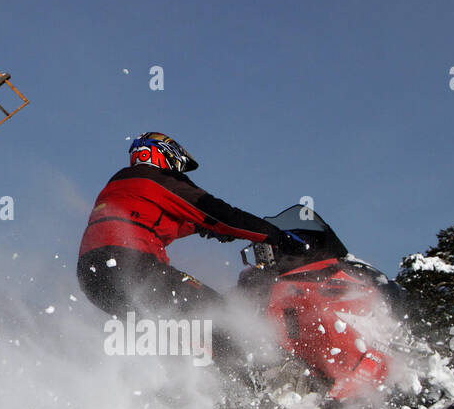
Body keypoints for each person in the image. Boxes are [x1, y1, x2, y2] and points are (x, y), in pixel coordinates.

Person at [77, 132, 295, 382]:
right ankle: (253, 390)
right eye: (176, 166)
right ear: (163, 156)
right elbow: (222, 215)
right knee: (215, 312)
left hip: (92, 277)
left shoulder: (118, 186)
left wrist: (206, 228)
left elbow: (157, 220)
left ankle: (178, 394)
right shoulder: (159, 179)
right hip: (131, 265)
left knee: (170, 331)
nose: (178, 172)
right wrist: (274, 235)